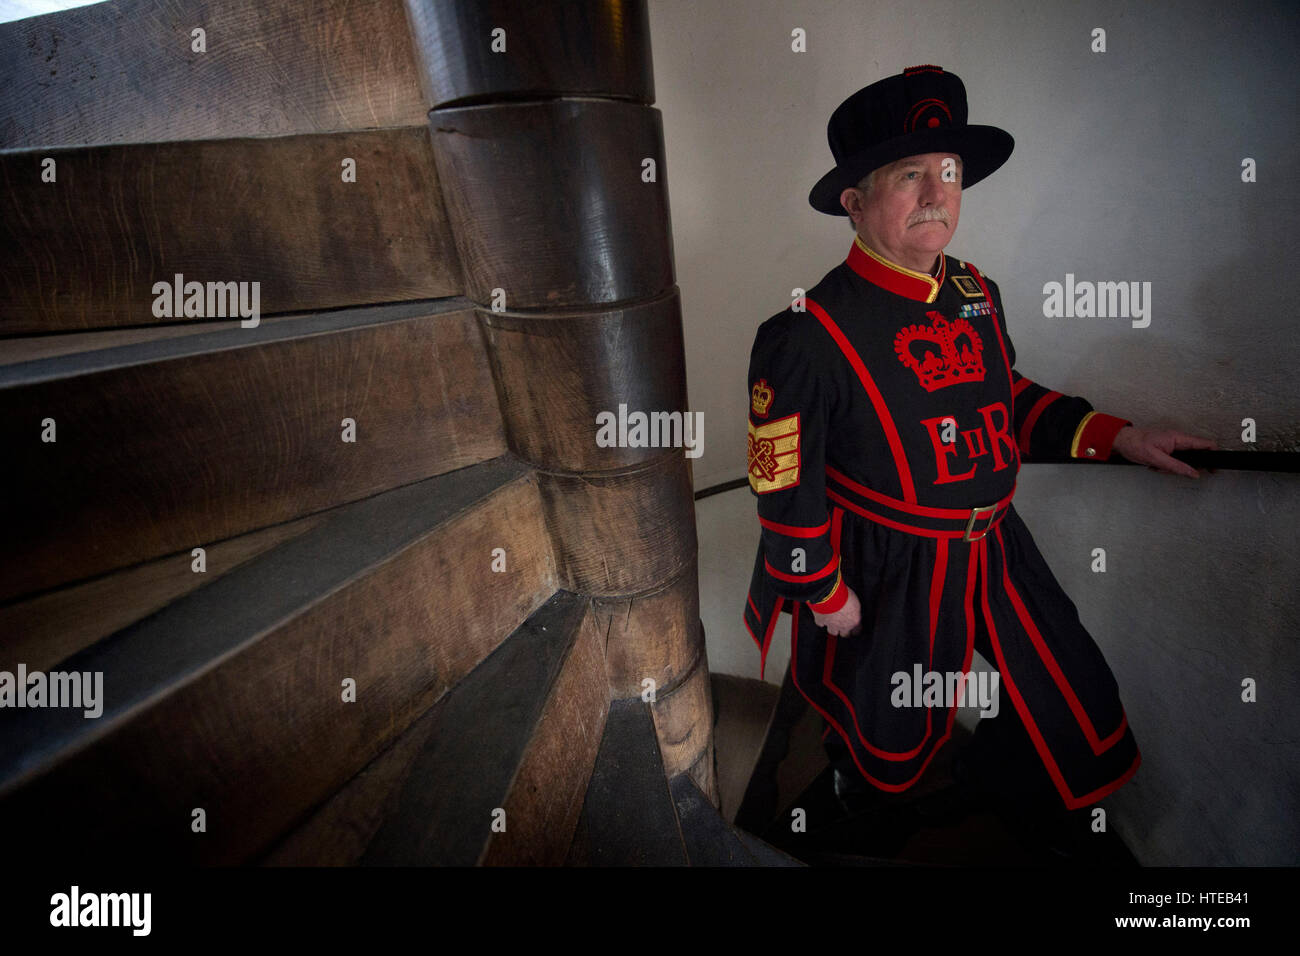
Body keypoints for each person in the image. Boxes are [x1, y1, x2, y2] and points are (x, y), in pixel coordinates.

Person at [740, 65, 1215, 855]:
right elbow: (780, 481)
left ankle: (1007, 792)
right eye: (909, 175)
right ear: (854, 203)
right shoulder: (804, 332)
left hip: (998, 546)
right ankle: (848, 803)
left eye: (950, 174)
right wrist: (822, 589)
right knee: (883, 730)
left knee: (1075, 695)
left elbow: (1009, 399)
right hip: (885, 565)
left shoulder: (976, 292)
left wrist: (1117, 436)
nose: (937, 193)